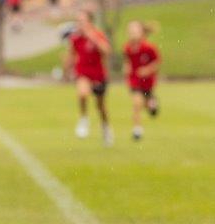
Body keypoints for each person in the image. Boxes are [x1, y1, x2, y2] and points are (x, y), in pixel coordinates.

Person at [64, 8, 112, 145]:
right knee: (83, 94)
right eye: (78, 21)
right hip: (83, 72)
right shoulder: (75, 38)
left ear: (90, 22)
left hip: (98, 74)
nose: (80, 24)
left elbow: (107, 51)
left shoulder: (98, 35)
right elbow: (71, 55)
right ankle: (83, 119)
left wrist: (92, 38)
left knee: (101, 106)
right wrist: (67, 70)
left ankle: (106, 128)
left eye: (82, 21)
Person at [123, 20, 161, 141]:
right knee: (136, 103)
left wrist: (147, 69)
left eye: (135, 30)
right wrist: (127, 69)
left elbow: (157, 63)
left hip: (147, 82)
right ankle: (137, 130)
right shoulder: (127, 47)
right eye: (130, 31)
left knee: (147, 104)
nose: (132, 33)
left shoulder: (149, 48)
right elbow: (127, 61)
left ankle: (152, 104)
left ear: (141, 32)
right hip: (134, 81)